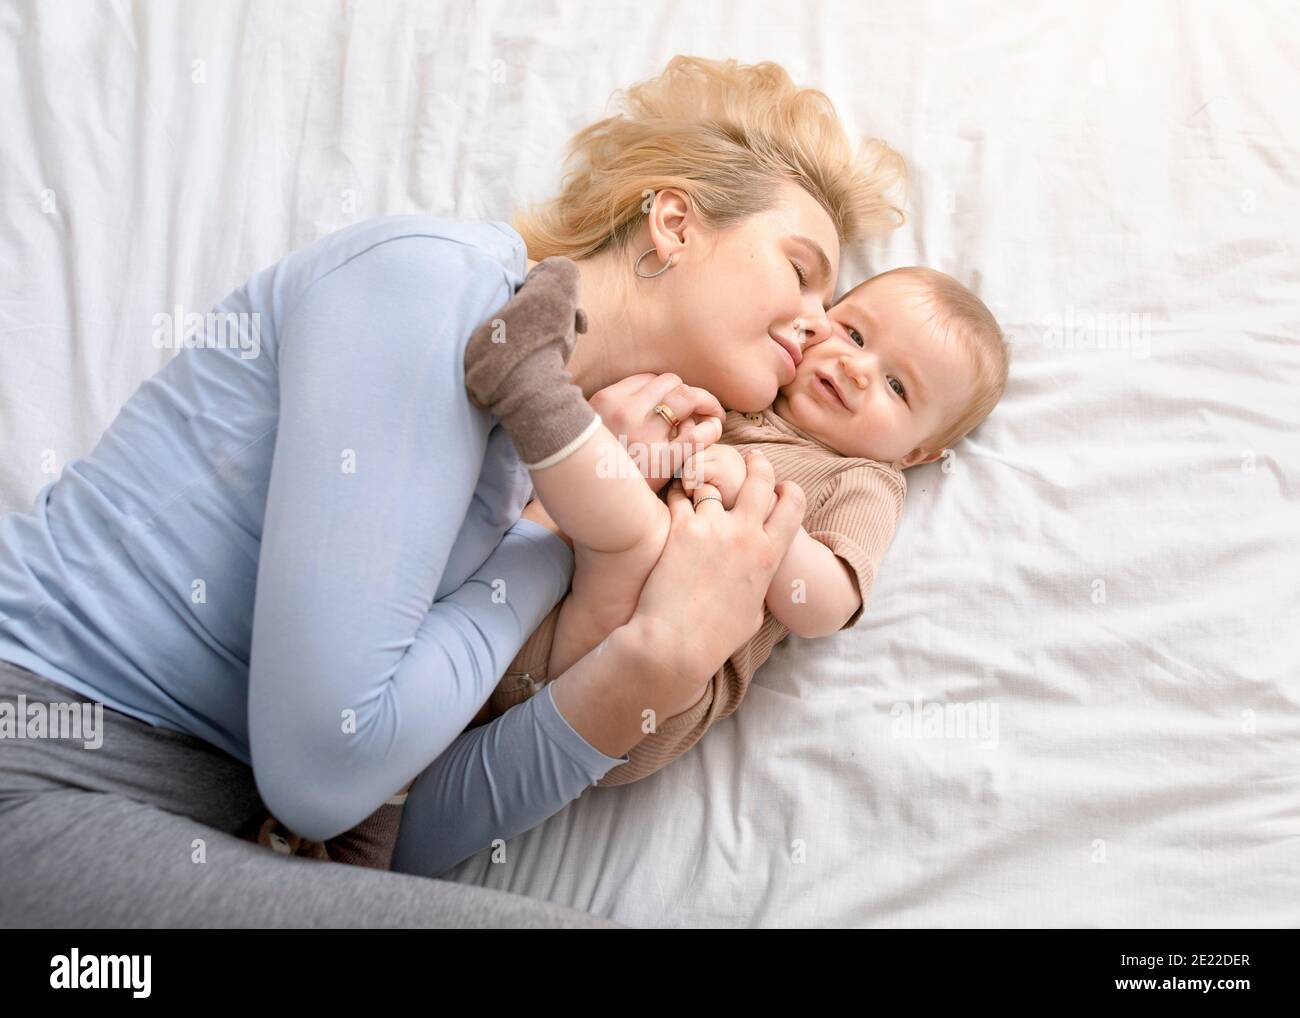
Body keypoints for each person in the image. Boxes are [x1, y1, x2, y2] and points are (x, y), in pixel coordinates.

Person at [0, 56, 906, 925]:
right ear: (673, 223)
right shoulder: (438, 288)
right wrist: (561, 544)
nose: (820, 324)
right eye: (800, 270)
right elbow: (322, 771)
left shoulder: (536, 463)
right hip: (37, 762)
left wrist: (654, 663)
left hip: (175, 833)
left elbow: (394, 842)